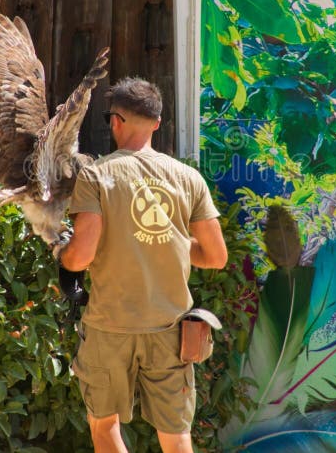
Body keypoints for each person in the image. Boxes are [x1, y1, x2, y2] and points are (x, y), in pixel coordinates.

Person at [55, 77, 228, 453]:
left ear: (115, 121)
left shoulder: (97, 175)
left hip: (109, 327)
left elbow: (81, 256)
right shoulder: (189, 179)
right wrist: (176, 246)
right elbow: (216, 257)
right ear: (157, 122)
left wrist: (61, 255)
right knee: (177, 436)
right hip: (170, 328)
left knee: (105, 428)